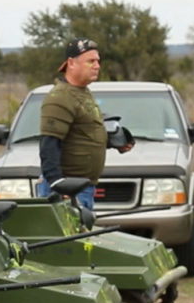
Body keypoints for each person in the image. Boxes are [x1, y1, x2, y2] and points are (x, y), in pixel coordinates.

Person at [37, 38, 132, 210]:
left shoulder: (81, 93)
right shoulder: (59, 97)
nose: (97, 66)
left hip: (82, 188)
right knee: (70, 237)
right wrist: (58, 185)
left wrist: (114, 142)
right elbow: (49, 144)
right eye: (90, 61)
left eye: (98, 61)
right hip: (68, 189)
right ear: (71, 63)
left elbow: (82, 132)